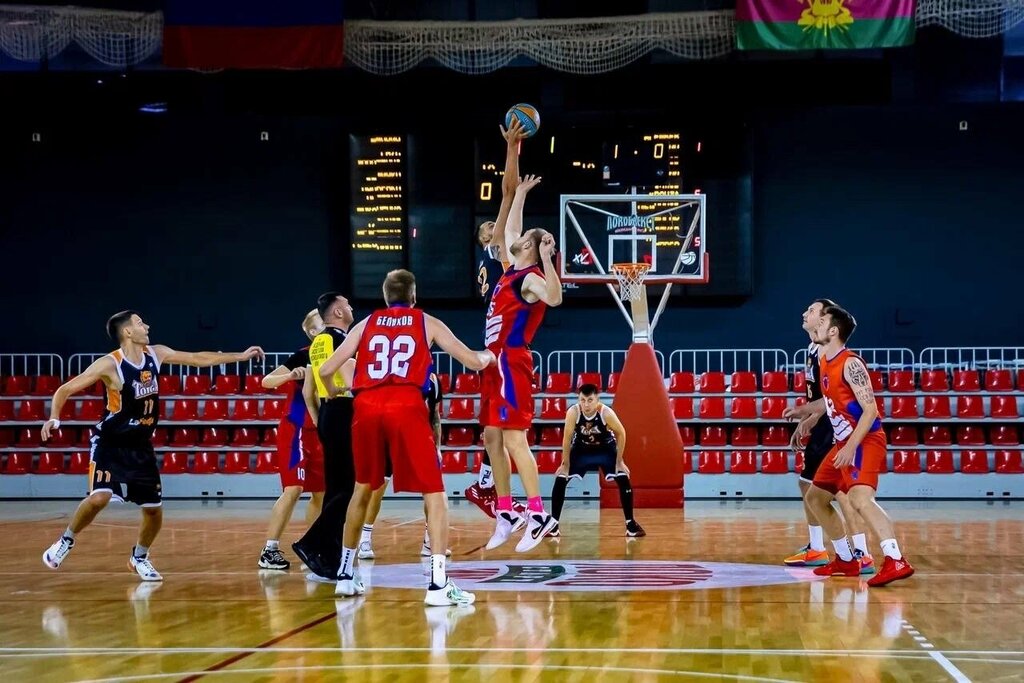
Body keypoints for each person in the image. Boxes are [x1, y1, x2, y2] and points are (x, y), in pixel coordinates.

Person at [40, 310, 263, 581]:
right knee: (100, 496)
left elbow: (197, 359)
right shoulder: (110, 364)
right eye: (139, 323)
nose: (146, 325)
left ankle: (139, 557)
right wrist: (54, 417)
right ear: (127, 332)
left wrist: (238, 356)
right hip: (110, 442)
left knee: (154, 509)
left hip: (140, 445)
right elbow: (64, 389)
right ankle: (65, 540)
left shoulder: (155, 354)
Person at [318, 269, 493, 605]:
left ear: (385, 298)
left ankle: (344, 574)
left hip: (366, 406)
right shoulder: (426, 321)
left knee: (362, 489)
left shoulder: (364, 325)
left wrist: (335, 393)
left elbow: (326, 369)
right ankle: (439, 584)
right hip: (406, 404)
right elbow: (471, 360)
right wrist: (487, 356)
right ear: (414, 297)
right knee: (435, 493)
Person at [803, 303, 914, 587]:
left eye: (822, 318)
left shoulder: (850, 363)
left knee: (860, 500)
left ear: (833, 330)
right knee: (815, 498)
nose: (816, 322)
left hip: (864, 441)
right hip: (844, 443)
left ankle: (895, 559)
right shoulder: (825, 360)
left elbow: (871, 410)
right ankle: (845, 559)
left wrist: (851, 446)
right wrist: (806, 411)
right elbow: (832, 403)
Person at [482, 174, 564, 553]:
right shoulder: (510, 269)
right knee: (491, 436)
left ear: (531, 248)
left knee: (514, 437)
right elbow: (512, 226)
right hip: (492, 362)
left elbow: (555, 299)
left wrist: (548, 259)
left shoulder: (530, 278)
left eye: (525, 238)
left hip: (512, 360)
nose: (513, 238)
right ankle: (505, 510)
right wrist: (520, 194)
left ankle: (538, 513)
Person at [465, 115, 529, 519]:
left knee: (493, 428)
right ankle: (497, 489)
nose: (495, 224)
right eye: (490, 226)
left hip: (492, 342)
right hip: (501, 346)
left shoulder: (493, 262)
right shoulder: (496, 253)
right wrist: (512, 149)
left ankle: (486, 484)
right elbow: (506, 191)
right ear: (486, 239)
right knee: (507, 430)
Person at [783, 300, 874, 574]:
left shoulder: (829, 351)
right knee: (808, 485)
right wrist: (810, 419)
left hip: (836, 426)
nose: (805, 313)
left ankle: (860, 552)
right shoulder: (814, 348)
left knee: (840, 491)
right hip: (824, 423)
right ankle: (818, 547)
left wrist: (807, 414)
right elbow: (824, 396)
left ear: (826, 322)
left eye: (811, 311)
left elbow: (834, 397)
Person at [292, 292, 356, 580]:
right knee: (347, 488)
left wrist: (321, 422)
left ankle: (327, 555)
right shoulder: (340, 340)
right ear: (338, 312)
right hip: (343, 410)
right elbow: (351, 380)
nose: (351, 307)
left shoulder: (318, 342)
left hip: (329, 414)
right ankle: (311, 543)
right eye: (346, 304)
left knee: (335, 488)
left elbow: (310, 392)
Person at [256, 309, 327, 570]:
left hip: (321, 431)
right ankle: (269, 550)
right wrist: (289, 375)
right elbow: (266, 381)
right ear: (312, 332)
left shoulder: (339, 352)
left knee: (321, 493)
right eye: (322, 324)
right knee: (294, 489)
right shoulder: (304, 354)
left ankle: (313, 545)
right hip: (296, 428)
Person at [356, 370, 450, 560]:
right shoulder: (397, 375)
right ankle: (365, 539)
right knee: (377, 488)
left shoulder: (433, 381)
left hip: (421, 438)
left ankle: (428, 541)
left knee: (433, 491)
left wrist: (438, 447)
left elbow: (436, 417)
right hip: (393, 434)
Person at [551, 384, 645, 537]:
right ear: (578, 399)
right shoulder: (573, 412)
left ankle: (630, 524)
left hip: (605, 449)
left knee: (623, 478)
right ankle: (553, 525)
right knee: (561, 478)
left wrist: (619, 461)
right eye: (583, 400)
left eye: (590, 400)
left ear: (597, 400)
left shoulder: (606, 413)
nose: (586, 404)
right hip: (581, 450)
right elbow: (567, 438)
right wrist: (565, 464)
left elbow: (622, 434)